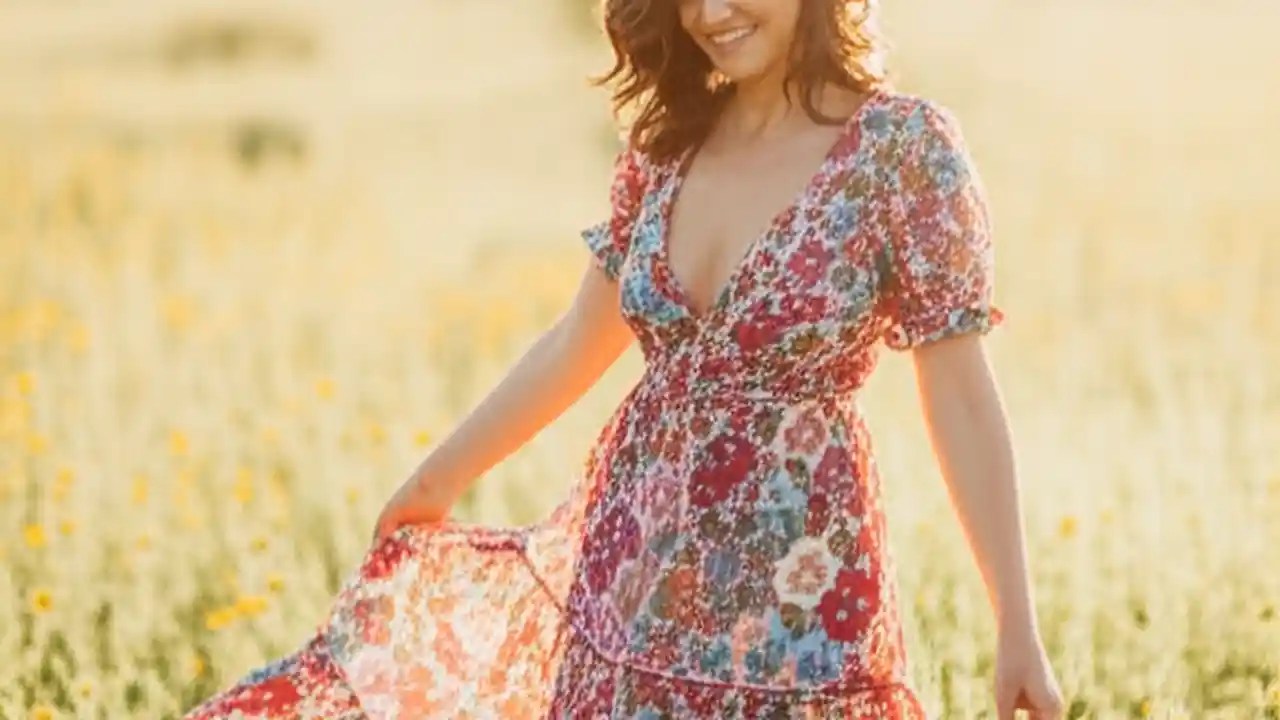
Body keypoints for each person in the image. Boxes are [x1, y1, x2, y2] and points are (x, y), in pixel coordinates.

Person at [184, 0, 1067, 718]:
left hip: (798, 600)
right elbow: (577, 344)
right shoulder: (666, 148)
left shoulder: (905, 153)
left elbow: (959, 395)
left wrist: (1016, 624)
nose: (710, 14)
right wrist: (432, 483)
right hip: (629, 588)